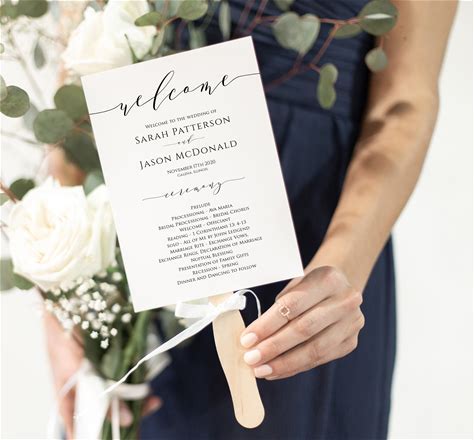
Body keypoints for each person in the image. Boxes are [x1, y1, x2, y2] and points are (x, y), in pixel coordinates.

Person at [45, 1, 457, 438]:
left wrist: (341, 268)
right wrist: (62, 292)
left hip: (312, 231)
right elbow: (81, 49)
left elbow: (406, 97)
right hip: (150, 210)